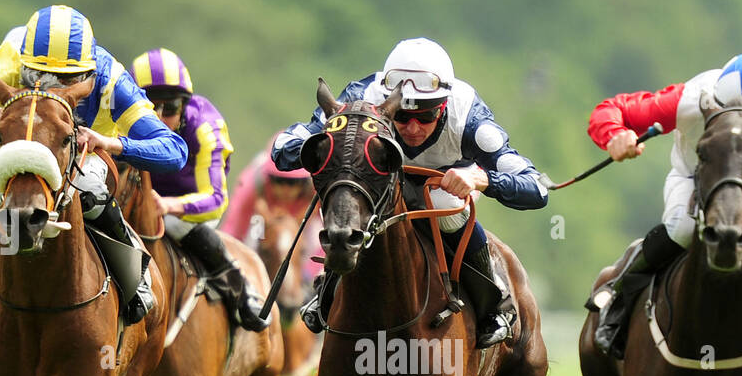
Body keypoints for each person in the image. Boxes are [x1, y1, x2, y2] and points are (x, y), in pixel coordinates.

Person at [0, 5, 187, 331]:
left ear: (88, 71)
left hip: (82, 157)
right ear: (24, 64)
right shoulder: (7, 62)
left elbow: (174, 151)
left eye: (65, 80)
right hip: (17, 152)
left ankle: (134, 277)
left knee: (90, 188)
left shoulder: (111, 79)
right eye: (37, 76)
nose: (49, 88)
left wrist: (113, 144)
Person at [272, 37, 548, 348]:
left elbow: (536, 189)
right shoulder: (362, 98)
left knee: (447, 205)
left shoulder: (470, 119)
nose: (413, 128)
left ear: (444, 105)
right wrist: (324, 144)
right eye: (402, 115)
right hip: (382, 186)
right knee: (352, 201)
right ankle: (328, 290)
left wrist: (482, 178)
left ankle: (495, 302)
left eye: (426, 115)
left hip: (444, 189)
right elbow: (283, 149)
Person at [585, 51, 742, 362]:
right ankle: (618, 303)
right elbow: (611, 110)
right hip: (696, 177)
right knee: (683, 228)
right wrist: (615, 134)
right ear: (713, 105)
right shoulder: (691, 98)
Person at [130, 48, 267, 331]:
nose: (158, 116)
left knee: (172, 223)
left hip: (190, 203)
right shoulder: (120, 116)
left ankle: (239, 289)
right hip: (141, 194)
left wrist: (169, 206)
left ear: (184, 106)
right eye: (148, 106)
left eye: (169, 108)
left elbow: (216, 200)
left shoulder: (205, 127)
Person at [220, 139, 322, 288]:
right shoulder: (252, 185)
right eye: (278, 180)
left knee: (316, 239)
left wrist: (309, 274)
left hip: (304, 226)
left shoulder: (317, 186)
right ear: (268, 177)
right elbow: (233, 231)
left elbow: (330, 236)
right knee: (253, 238)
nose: (285, 189)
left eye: (293, 183)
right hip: (262, 223)